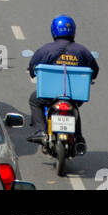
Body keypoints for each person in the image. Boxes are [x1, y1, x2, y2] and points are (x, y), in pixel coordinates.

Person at [26, 15, 99, 150]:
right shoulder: (83, 51)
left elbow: (32, 67)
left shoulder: (45, 49)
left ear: (54, 31)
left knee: (34, 100)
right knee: (74, 108)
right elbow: (94, 70)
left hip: (48, 96)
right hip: (74, 96)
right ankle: (79, 138)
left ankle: (41, 132)